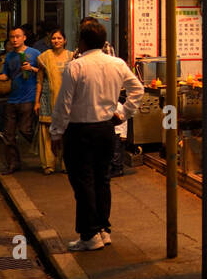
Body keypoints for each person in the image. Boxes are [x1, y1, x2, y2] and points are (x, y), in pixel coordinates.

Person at [50, 22, 145, 251]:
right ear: (103, 42)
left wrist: (56, 132)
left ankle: (90, 235)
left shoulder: (75, 66)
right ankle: (103, 229)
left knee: (83, 183)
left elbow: (64, 103)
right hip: (105, 130)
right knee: (102, 180)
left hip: (79, 131)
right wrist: (123, 113)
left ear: (81, 42)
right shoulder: (117, 63)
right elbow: (137, 89)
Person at [0, 26, 41, 174]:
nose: (14, 40)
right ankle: (13, 163)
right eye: (12, 37)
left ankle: (43, 148)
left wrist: (32, 69)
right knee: (8, 134)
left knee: (25, 129)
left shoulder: (34, 53)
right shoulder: (9, 56)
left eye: (17, 36)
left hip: (29, 97)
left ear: (24, 37)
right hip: (12, 98)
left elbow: (43, 72)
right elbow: (7, 75)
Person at [35, 27, 71, 175]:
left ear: (65, 40)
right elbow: (39, 80)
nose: (56, 41)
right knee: (46, 132)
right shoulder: (44, 57)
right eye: (54, 38)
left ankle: (65, 164)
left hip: (66, 100)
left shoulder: (72, 56)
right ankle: (48, 164)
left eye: (59, 38)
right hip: (46, 98)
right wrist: (36, 101)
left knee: (66, 132)